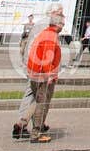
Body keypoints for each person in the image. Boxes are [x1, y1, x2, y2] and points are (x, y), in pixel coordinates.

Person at [13, 7, 65, 143]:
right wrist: (49, 75)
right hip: (42, 75)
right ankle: (36, 133)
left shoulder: (45, 32)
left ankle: (22, 122)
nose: (63, 27)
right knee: (42, 103)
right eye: (62, 23)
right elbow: (47, 57)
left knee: (37, 101)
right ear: (57, 23)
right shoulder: (50, 35)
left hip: (35, 72)